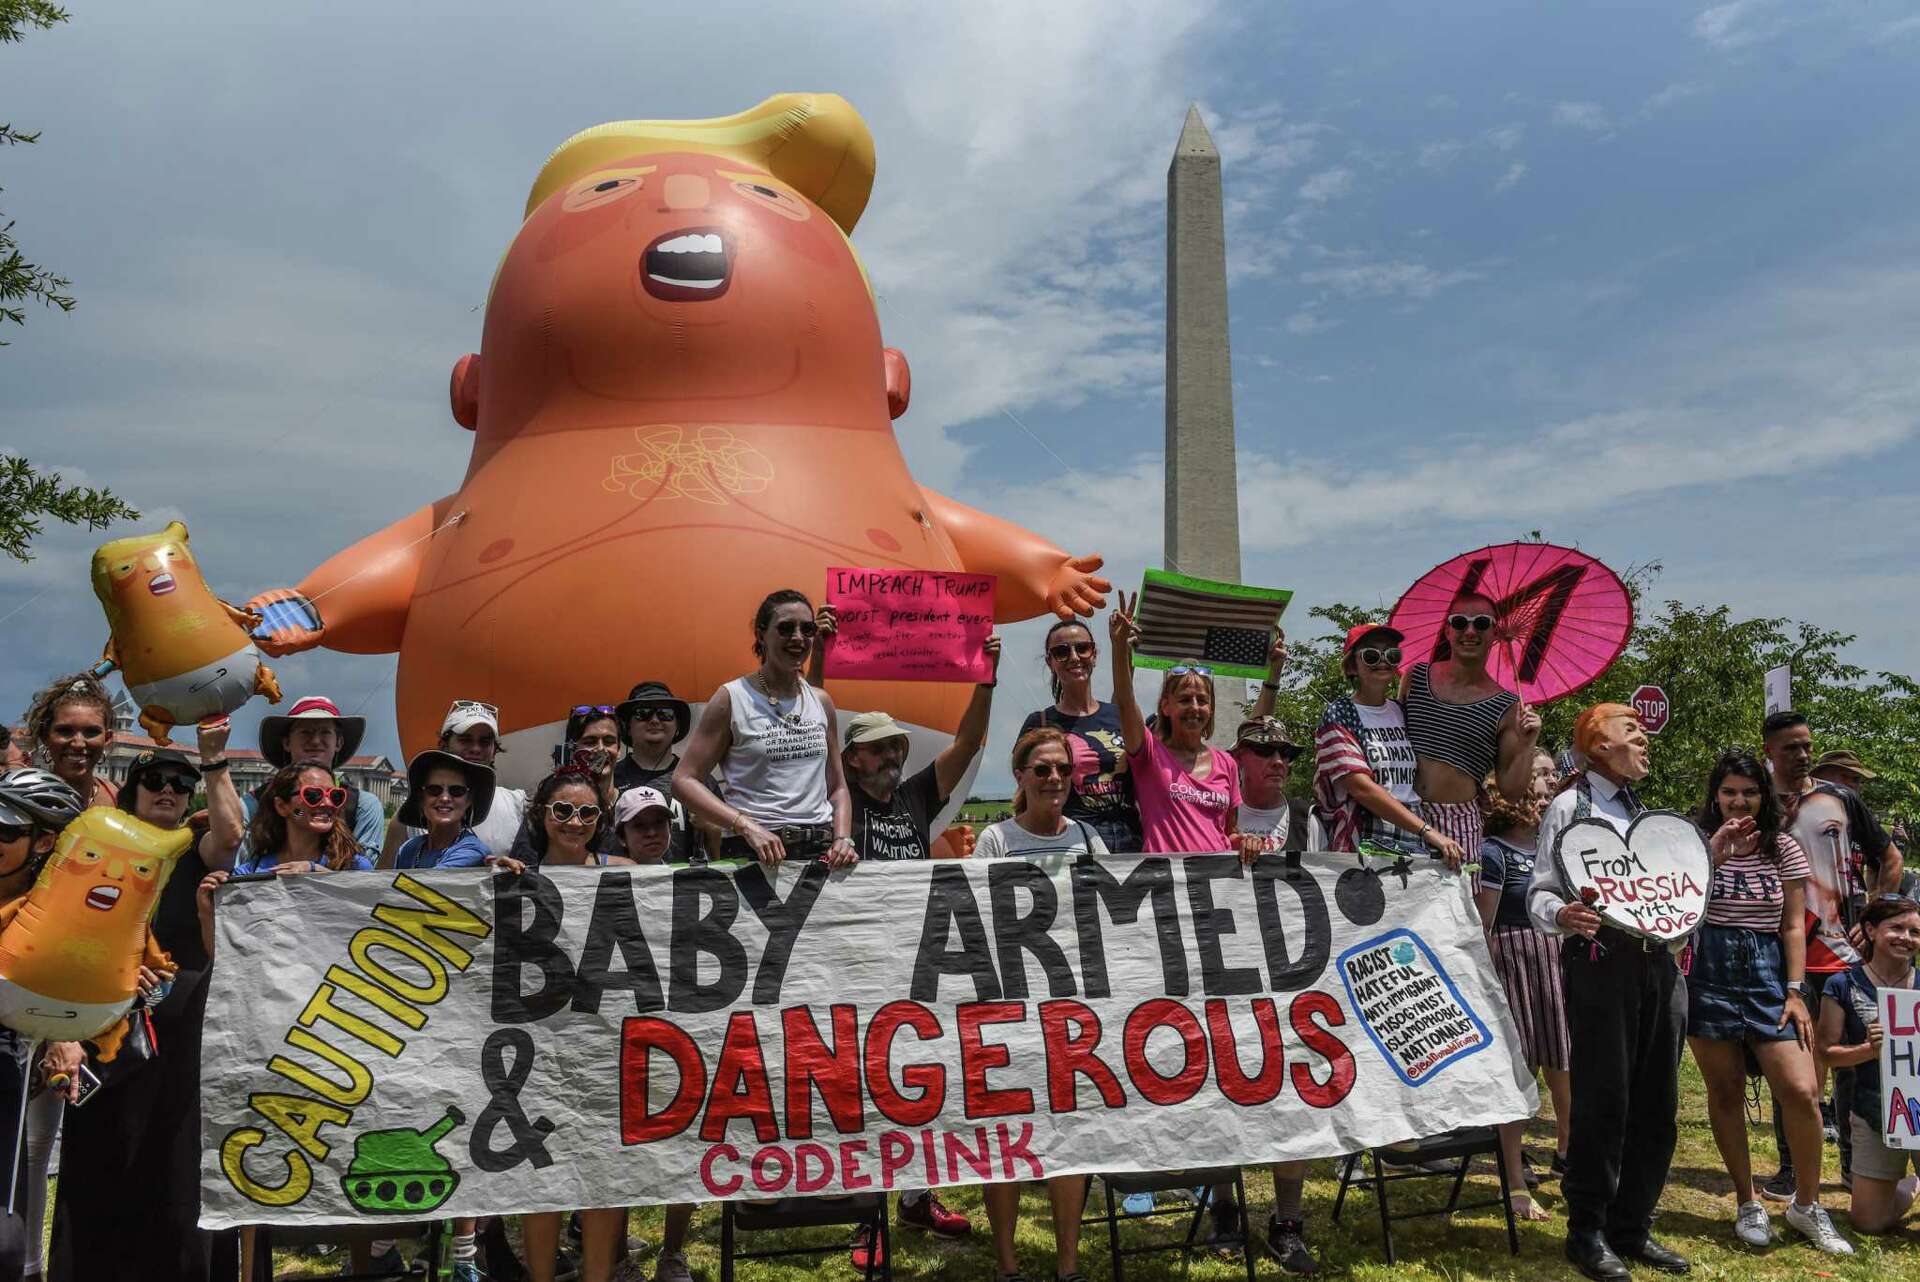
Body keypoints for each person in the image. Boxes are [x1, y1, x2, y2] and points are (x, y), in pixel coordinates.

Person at [49, 719, 246, 1282]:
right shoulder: (97, 850)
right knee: (108, 1154)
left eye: (179, 785)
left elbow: (230, 837)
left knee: (177, 1157)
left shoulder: (195, 849)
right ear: (132, 789)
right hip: (107, 1018)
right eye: (155, 779)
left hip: (184, 1025)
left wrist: (211, 759)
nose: (168, 789)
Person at [1525, 704, 1688, 1281]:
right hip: (1602, 963)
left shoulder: (1645, 813)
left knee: (1658, 1102)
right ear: (1598, 747)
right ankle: (1588, 1230)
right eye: (1632, 732)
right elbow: (1538, 890)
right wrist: (1562, 913)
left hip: (1658, 966)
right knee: (1605, 1097)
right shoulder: (1572, 806)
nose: (1645, 741)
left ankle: (1633, 1226)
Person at [1684, 749, 1851, 1254]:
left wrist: (1797, 991)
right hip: (1707, 966)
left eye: (1750, 792)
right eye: (1730, 790)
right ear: (1715, 794)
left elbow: (1792, 927)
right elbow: (1679, 902)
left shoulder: (1784, 848)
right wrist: (1713, 855)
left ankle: (1806, 1204)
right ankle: (1746, 1199)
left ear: (1764, 797)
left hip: (1766, 972)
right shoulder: (1694, 842)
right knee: (1725, 1089)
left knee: (1800, 1091)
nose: (1739, 801)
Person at [1760, 710, 1902, 1198]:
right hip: (1784, 958)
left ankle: (1851, 1165)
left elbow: (1889, 856)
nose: (1801, 755)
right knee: (1793, 1066)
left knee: (1851, 1065)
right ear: (1769, 753)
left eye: (1806, 745)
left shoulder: (1838, 798)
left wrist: (1873, 918)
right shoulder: (1757, 804)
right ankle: (1790, 1168)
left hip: (1844, 955)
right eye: (1790, 748)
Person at [979, 727, 1100, 1282]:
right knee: (1004, 1137)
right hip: (1007, 1009)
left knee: (1068, 1137)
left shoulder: (1090, 839)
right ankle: (1006, 1267)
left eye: (1064, 770)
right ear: (1021, 777)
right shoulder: (995, 842)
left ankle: (1068, 1267)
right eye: (1043, 769)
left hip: (1072, 1010)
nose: (1055, 779)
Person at [515, 768, 626, 1282]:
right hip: (537, 1049)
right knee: (543, 1175)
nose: (574, 822)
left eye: (587, 813)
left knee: (602, 1176)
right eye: (562, 810)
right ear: (542, 814)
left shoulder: (627, 871)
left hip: (608, 1047)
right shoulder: (513, 877)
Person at [1223, 715, 1321, 1272]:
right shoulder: (1218, 814)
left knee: (1296, 1098)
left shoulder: (1309, 818)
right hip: (1229, 977)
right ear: (1238, 756)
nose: (1279, 760)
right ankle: (1223, 1205)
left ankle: (1287, 1221)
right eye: (1265, 751)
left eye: (1286, 751)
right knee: (1223, 1086)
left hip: (1296, 979)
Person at [675, 589, 854, 868]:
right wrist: (744, 826)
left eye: (807, 629)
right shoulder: (732, 698)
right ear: (761, 635)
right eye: (785, 628)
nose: (797, 637)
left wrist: (843, 838)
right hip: (755, 851)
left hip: (819, 850)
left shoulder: (821, 701)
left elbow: (837, 787)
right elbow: (684, 780)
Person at [1473, 747, 1567, 1225]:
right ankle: (1512, 1177)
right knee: (1520, 1070)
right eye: (1543, 774)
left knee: (1565, 1064)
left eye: (1554, 774)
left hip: (1557, 958)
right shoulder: (1494, 852)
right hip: (1514, 959)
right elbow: (1484, 926)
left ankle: (1568, 1158)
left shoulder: (1559, 847)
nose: (1553, 782)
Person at [0, 768, 84, 1282]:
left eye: (8, 833)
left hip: (10, 1069)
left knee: (6, 1241)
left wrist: (64, 1032)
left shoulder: (58, 908)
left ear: (44, 841)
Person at [1400, 593, 1543, 856]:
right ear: (1447, 631)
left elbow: (1511, 792)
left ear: (1494, 632)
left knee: (1457, 899)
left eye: (1481, 623)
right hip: (1403, 814)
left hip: (1458, 824)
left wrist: (1527, 744)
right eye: (1459, 622)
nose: (1469, 631)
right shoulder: (1416, 677)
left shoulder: (1508, 706)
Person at [1311, 626, 1465, 866]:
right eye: (1371, 656)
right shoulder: (1339, 715)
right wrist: (1428, 831)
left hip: (1412, 834)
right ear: (1352, 666)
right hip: (1364, 836)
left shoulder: (1402, 711)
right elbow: (1361, 788)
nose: (1383, 661)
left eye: (1391, 655)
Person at [841, 636, 999, 863]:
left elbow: (967, 744)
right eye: (877, 748)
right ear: (853, 758)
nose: (891, 755)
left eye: (896, 746)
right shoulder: (838, 804)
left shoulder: (916, 796)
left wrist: (986, 682)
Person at [1817, 896, 1920, 1235]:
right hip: (1875, 1111)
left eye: (1915, 931)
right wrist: (1868, 1049)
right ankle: (1910, 1185)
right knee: (1868, 1223)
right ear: (1871, 930)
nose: (1907, 937)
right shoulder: (1843, 984)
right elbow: (1827, 1052)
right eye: (1897, 928)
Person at [1016, 617, 1142, 852]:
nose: (1074, 657)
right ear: (1050, 662)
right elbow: (1025, 789)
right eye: (1062, 651)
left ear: (1094, 654)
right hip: (1072, 841)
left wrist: (1123, 652)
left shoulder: (1119, 715)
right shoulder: (1040, 722)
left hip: (1130, 839)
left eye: (1082, 648)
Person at [380, 700, 528, 864]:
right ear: (444, 745)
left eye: (484, 742)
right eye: (465, 739)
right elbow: (382, 882)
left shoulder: (519, 805)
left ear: (494, 751)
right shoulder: (404, 821)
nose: (476, 748)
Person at [245, 696, 384, 852]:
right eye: (306, 732)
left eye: (325, 732)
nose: (316, 741)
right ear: (287, 743)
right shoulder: (251, 804)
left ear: (338, 743)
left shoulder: (363, 806)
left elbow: (367, 873)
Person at [610, 681, 713, 862]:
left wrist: (712, 828)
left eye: (665, 714)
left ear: (677, 725)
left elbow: (720, 850)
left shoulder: (699, 780)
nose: (655, 720)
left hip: (682, 887)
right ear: (627, 726)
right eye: (643, 714)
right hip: (622, 887)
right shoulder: (610, 779)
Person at [234, 763, 376, 874]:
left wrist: (316, 872)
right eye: (313, 795)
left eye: (335, 796)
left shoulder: (356, 866)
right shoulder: (251, 871)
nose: (328, 804)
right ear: (282, 806)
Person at [20, 672, 117, 808]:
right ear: (45, 736)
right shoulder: (23, 802)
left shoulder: (122, 800)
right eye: (65, 731)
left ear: (107, 739)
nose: (78, 743)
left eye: (91, 732)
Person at [392, 749, 498, 869]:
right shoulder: (409, 849)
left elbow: (427, 885)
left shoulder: (473, 851)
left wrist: (399, 883)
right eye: (434, 790)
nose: (445, 798)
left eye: (456, 791)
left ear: (468, 800)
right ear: (421, 798)